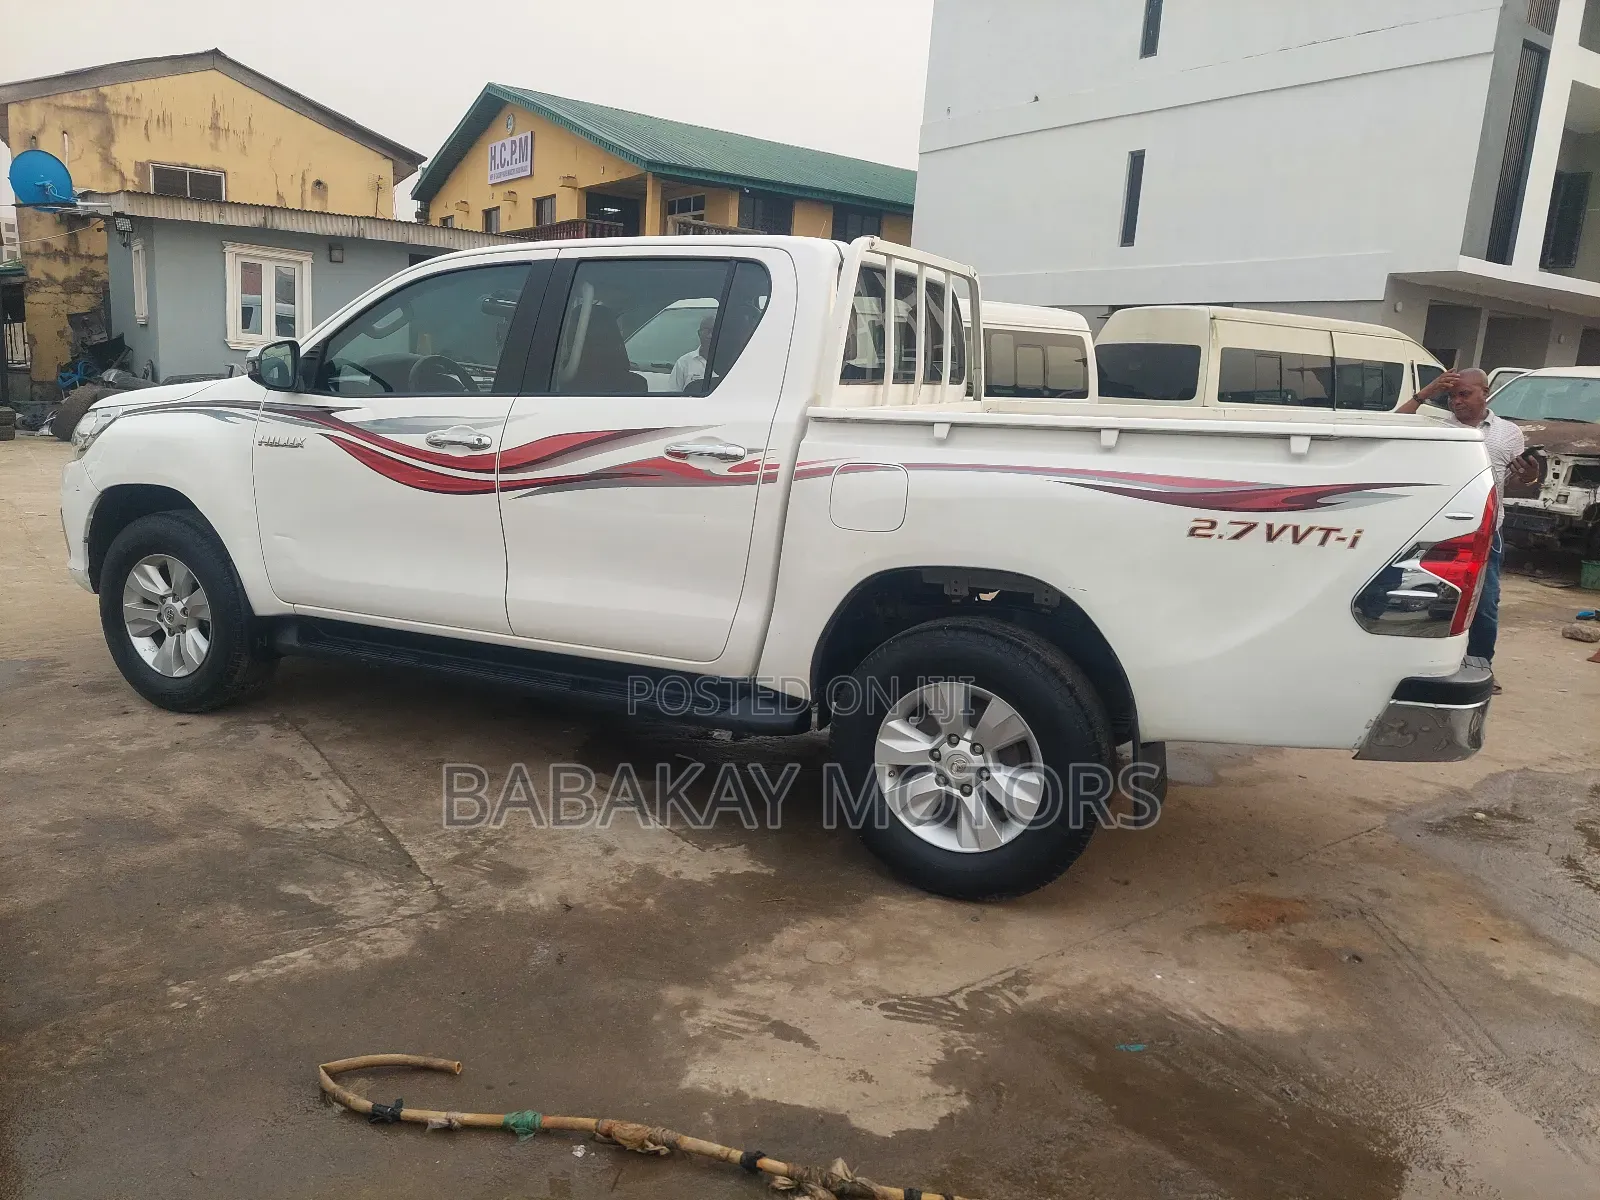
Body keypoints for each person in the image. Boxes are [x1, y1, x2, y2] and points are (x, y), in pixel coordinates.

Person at [1397, 367, 1539, 687]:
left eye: (1464, 394)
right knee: (1428, 601)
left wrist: (1530, 476)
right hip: (1439, 532)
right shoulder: (1438, 428)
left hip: (1486, 536)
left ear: (1484, 393)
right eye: (1451, 396)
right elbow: (1395, 422)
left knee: (1484, 606)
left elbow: (1522, 482)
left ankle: (1478, 669)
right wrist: (1426, 393)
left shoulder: (1508, 433)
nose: (1456, 402)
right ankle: (1425, 667)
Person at [670, 315, 717, 393]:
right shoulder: (684, 363)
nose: (710, 335)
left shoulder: (733, 362)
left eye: (714, 331)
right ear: (699, 334)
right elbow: (672, 396)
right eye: (707, 331)